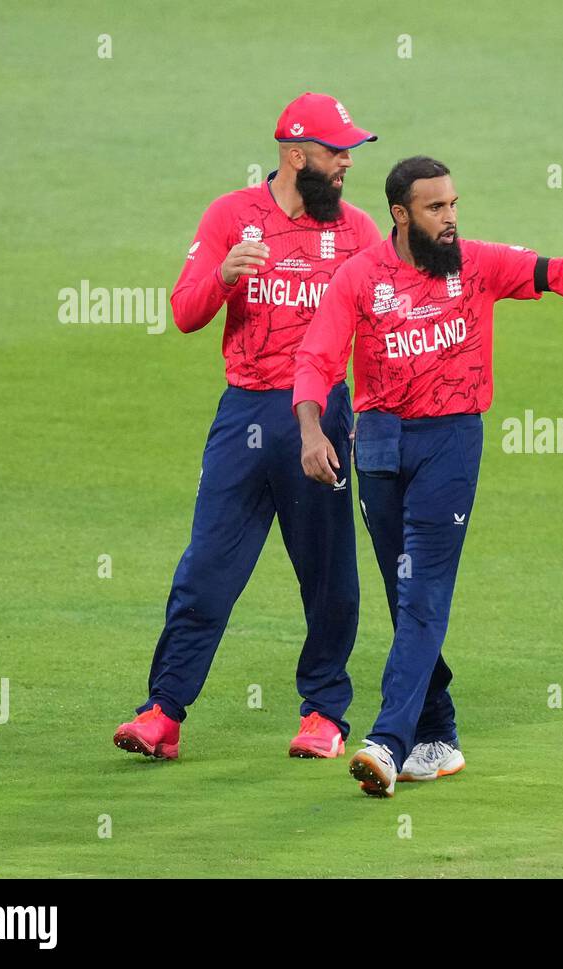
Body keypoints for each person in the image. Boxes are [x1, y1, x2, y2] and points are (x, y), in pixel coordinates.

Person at [294, 156, 563, 796]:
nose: (451, 218)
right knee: (401, 592)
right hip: (377, 441)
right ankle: (439, 736)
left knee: (422, 593)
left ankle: (387, 742)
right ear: (401, 215)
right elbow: (316, 357)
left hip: (451, 439)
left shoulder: (481, 263)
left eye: (455, 205)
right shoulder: (359, 277)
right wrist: (308, 430)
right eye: (436, 208)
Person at [113, 93, 381, 762]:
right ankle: (163, 712)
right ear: (296, 155)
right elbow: (183, 311)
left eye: (349, 149)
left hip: (323, 415)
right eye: (335, 149)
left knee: (328, 573)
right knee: (207, 567)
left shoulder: (357, 231)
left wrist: (366, 417)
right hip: (246, 413)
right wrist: (224, 278)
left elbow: (383, 326)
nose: (347, 160)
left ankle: (324, 712)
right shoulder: (231, 217)